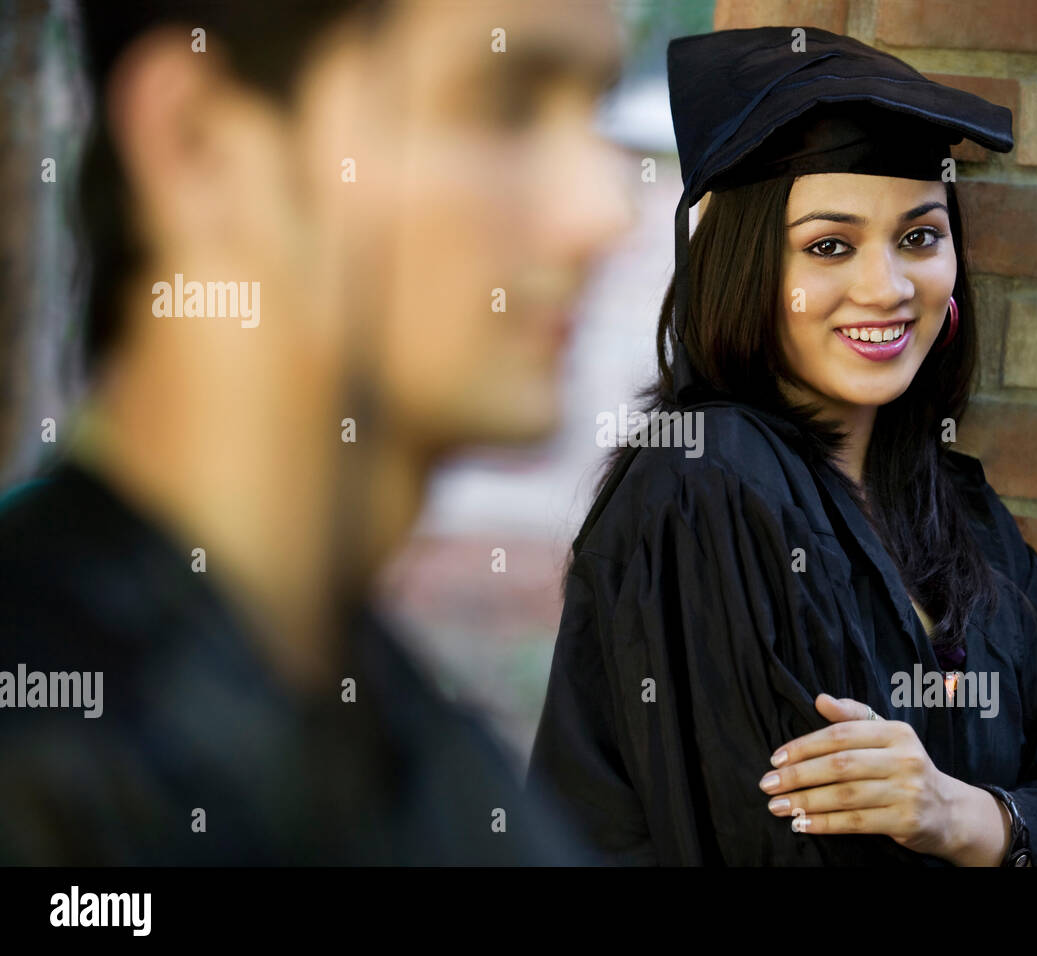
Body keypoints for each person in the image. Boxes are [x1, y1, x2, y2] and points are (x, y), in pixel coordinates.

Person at [0, 0, 630, 864]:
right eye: (505, 105)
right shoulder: (42, 757)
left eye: (594, 108)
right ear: (198, 144)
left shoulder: (435, 772)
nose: (604, 210)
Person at [527, 25, 1037, 866]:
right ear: (746, 269)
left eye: (920, 237)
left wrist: (966, 818)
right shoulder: (706, 484)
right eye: (829, 246)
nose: (886, 288)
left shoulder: (961, 510)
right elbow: (768, 846)